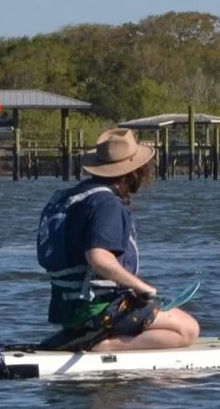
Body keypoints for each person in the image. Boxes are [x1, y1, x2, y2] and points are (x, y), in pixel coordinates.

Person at [37, 128, 200, 350]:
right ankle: (102, 345)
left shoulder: (72, 197)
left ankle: (81, 335)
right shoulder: (107, 205)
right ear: (135, 171)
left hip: (66, 309)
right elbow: (98, 257)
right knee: (187, 330)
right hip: (98, 308)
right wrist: (140, 286)